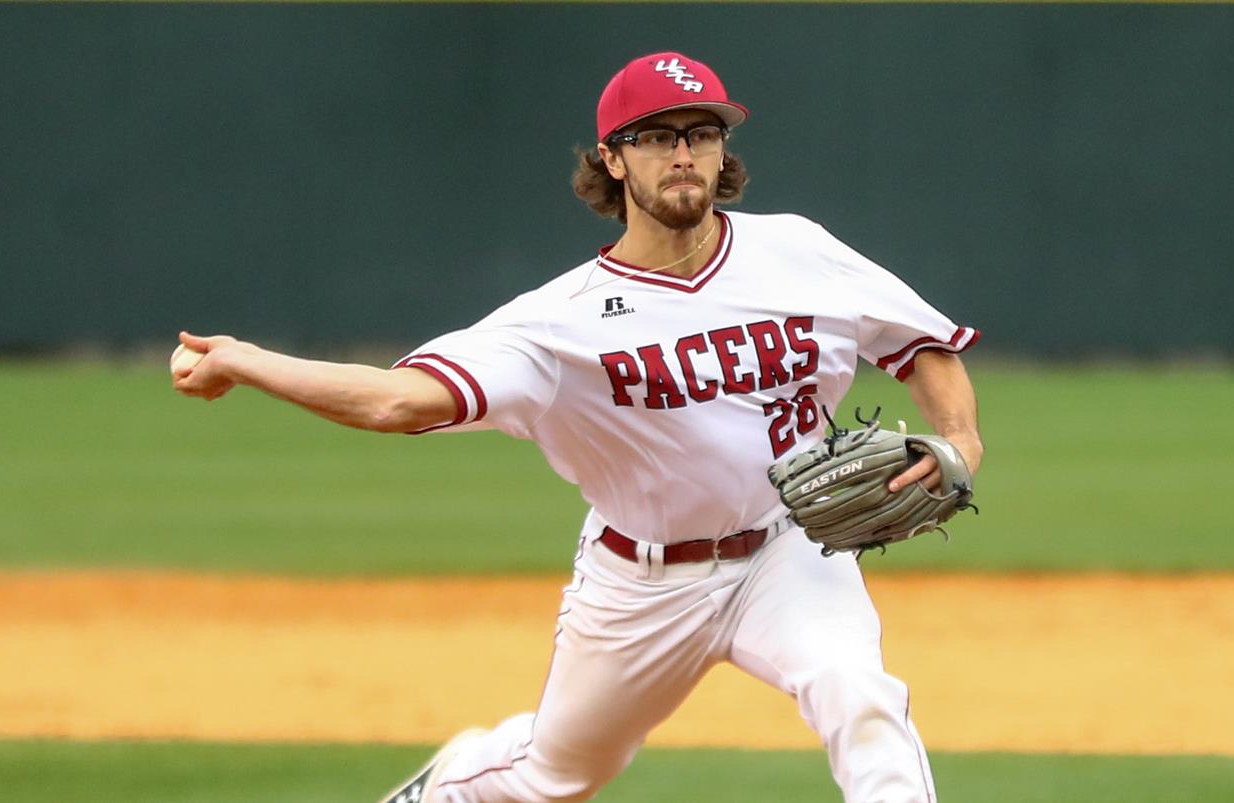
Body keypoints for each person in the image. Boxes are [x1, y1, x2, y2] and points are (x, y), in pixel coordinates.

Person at [172, 51, 982, 803]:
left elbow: (919, 344)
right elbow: (397, 401)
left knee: (863, 697)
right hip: (642, 583)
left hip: (790, 549)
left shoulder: (798, 250)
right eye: (657, 136)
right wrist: (244, 359)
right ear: (611, 158)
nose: (684, 154)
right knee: (555, 776)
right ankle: (452, 781)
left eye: (702, 134)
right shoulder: (561, 325)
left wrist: (960, 442)